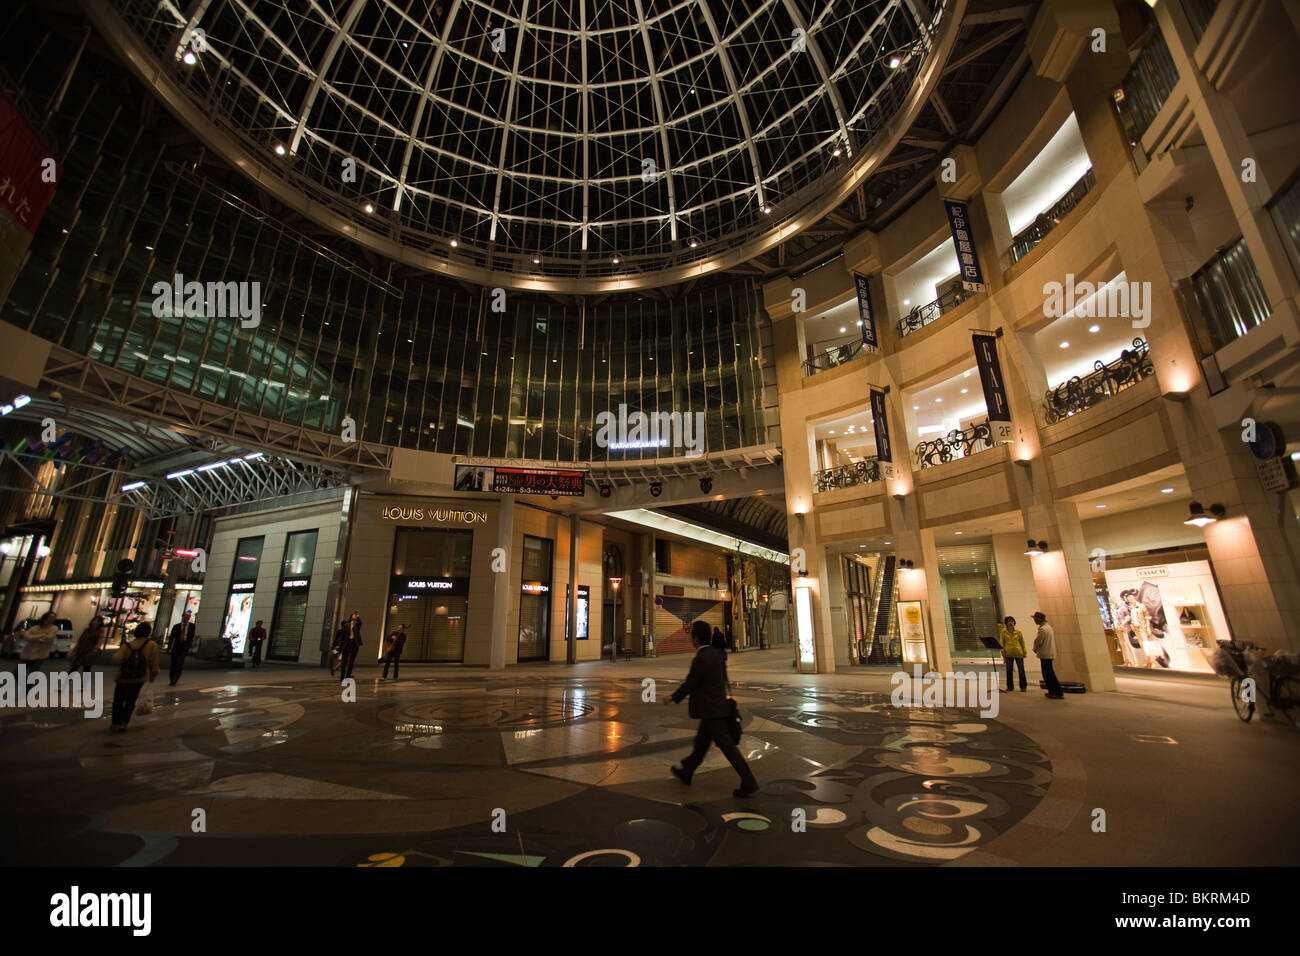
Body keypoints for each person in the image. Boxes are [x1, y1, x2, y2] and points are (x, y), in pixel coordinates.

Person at [665, 619, 758, 797]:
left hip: (711, 710)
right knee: (701, 744)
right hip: (718, 707)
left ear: (697, 639)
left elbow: (690, 683)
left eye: (692, 636)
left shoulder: (701, 658)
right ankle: (687, 771)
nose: (691, 640)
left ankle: (749, 781)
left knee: (728, 747)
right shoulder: (717, 654)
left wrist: (673, 697)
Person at [110, 622, 160, 731]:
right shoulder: (151, 645)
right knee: (130, 700)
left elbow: (115, 659)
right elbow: (154, 663)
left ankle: (115, 722)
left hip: (123, 677)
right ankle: (124, 722)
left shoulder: (128, 645)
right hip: (139, 678)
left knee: (118, 700)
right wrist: (153, 675)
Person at [1032, 610, 1064, 699]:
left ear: (1039, 619)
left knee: (1048, 674)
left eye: (1035, 619)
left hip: (1045, 654)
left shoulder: (1043, 629)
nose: (1034, 620)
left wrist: (1035, 649)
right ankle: (1053, 691)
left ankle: (1056, 691)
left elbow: (1038, 641)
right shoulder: (1048, 627)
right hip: (1049, 653)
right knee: (1049, 673)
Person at [997, 616, 1027, 692]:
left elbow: (1022, 642)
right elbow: (1002, 643)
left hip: (1018, 653)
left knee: (1021, 670)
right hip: (1008, 653)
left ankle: (1023, 686)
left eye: (1012, 621)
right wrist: (1003, 653)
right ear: (1006, 623)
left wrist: (1024, 652)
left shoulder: (1018, 631)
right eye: (1009, 621)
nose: (1011, 623)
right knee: (1009, 670)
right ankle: (1010, 686)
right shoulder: (1003, 632)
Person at [168, 610, 196, 686]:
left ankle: (176, 678)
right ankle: (172, 678)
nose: (187, 618)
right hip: (176, 645)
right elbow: (172, 638)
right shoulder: (176, 626)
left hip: (184, 646)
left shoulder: (192, 626)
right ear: (183, 617)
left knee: (180, 663)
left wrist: (189, 646)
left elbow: (191, 637)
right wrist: (169, 647)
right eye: (186, 616)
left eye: (188, 617)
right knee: (173, 663)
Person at [338, 611, 362, 682]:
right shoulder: (346, 625)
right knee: (344, 661)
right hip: (347, 644)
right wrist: (340, 646)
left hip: (354, 644)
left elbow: (360, 622)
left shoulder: (357, 625)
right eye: (353, 615)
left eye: (355, 615)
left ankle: (348, 676)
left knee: (351, 661)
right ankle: (342, 677)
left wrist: (358, 616)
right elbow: (342, 637)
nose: (354, 616)